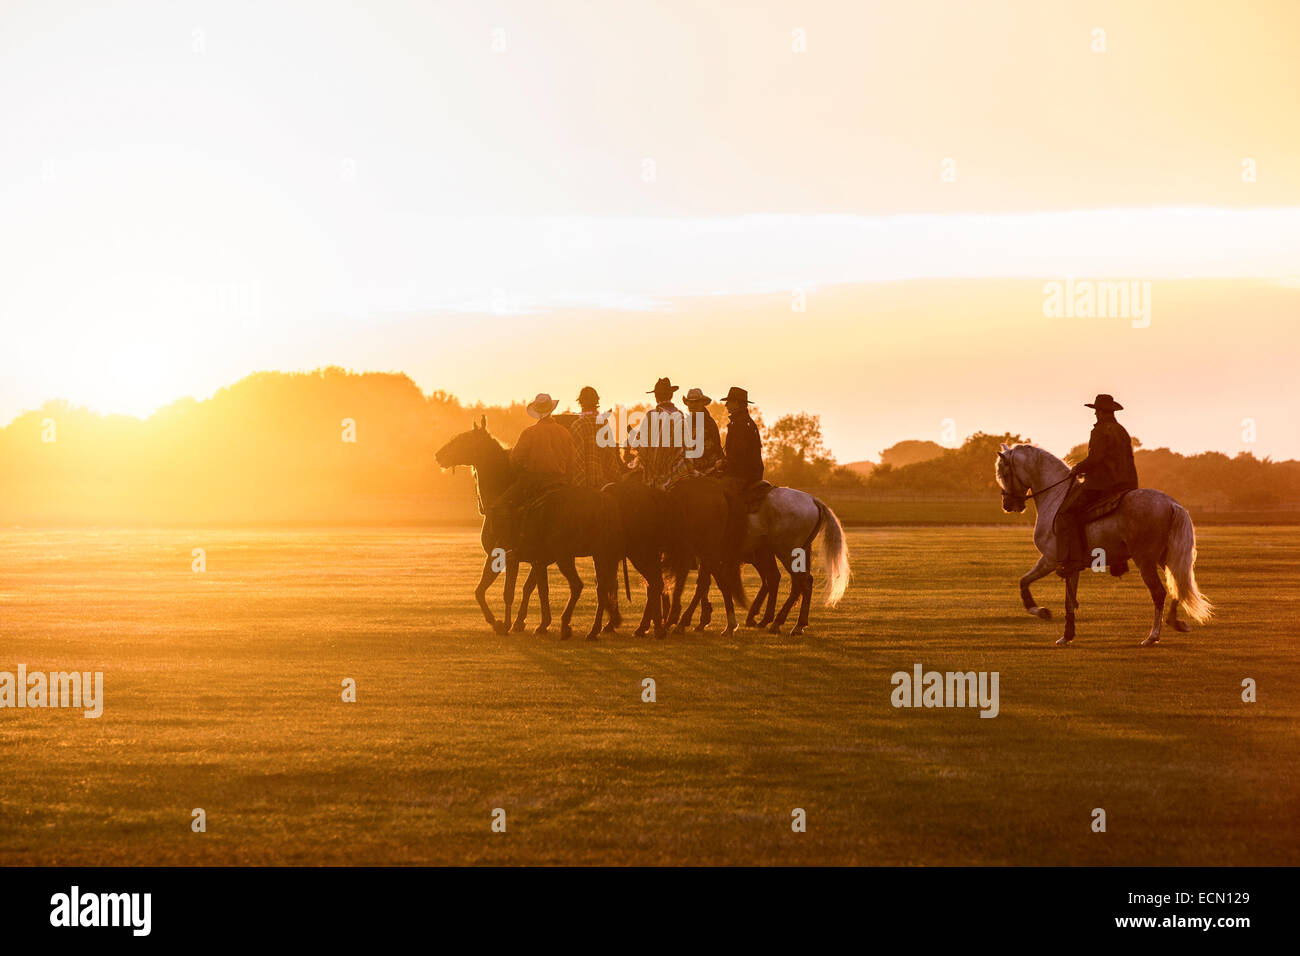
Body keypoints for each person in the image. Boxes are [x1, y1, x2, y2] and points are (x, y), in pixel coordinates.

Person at [1055, 393, 1139, 575]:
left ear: (1101, 412)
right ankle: (1118, 559)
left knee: (1065, 513)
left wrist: (1077, 468)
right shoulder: (1122, 430)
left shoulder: (1100, 430)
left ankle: (1074, 560)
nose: (1095, 415)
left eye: (1096, 411)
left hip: (1102, 484)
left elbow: (1096, 458)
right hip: (1127, 484)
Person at [491, 392, 576, 548]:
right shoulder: (565, 433)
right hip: (561, 482)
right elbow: (572, 461)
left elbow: (515, 459)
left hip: (533, 481)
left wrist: (522, 471)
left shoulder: (529, 433)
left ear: (537, 412)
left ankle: (507, 545)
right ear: (551, 410)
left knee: (499, 506)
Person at [720, 386, 767, 510]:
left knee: (719, 494)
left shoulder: (740, 424)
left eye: (728, 402)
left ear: (736, 403)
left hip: (742, 474)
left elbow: (738, 454)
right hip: (747, 471)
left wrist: (722, 464)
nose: (726, 405)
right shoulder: (743, 422)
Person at [638, 377, 690, 489]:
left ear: (656, 397)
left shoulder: (650, 416)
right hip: (676, 475)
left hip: (652, 476)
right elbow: (686, 448)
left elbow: (643, 448)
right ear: (671, 395)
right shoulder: (679, 415)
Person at [569, 386, 624, 490]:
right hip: (604, 484)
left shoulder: (578, 425)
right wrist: (617, 482)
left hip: (586, 486)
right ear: (596, 403)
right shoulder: (604, 424)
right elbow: (611, 457)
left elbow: (577, 459)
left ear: (581, 404)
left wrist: (578, 487)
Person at [683, 387, 724, 475]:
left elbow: (716, 447)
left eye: (696, 402)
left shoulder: (709, 423)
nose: (692, 405)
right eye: (690, 402)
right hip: (692, 468)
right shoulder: (687, 422)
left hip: (710, 468)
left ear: (702, 403)